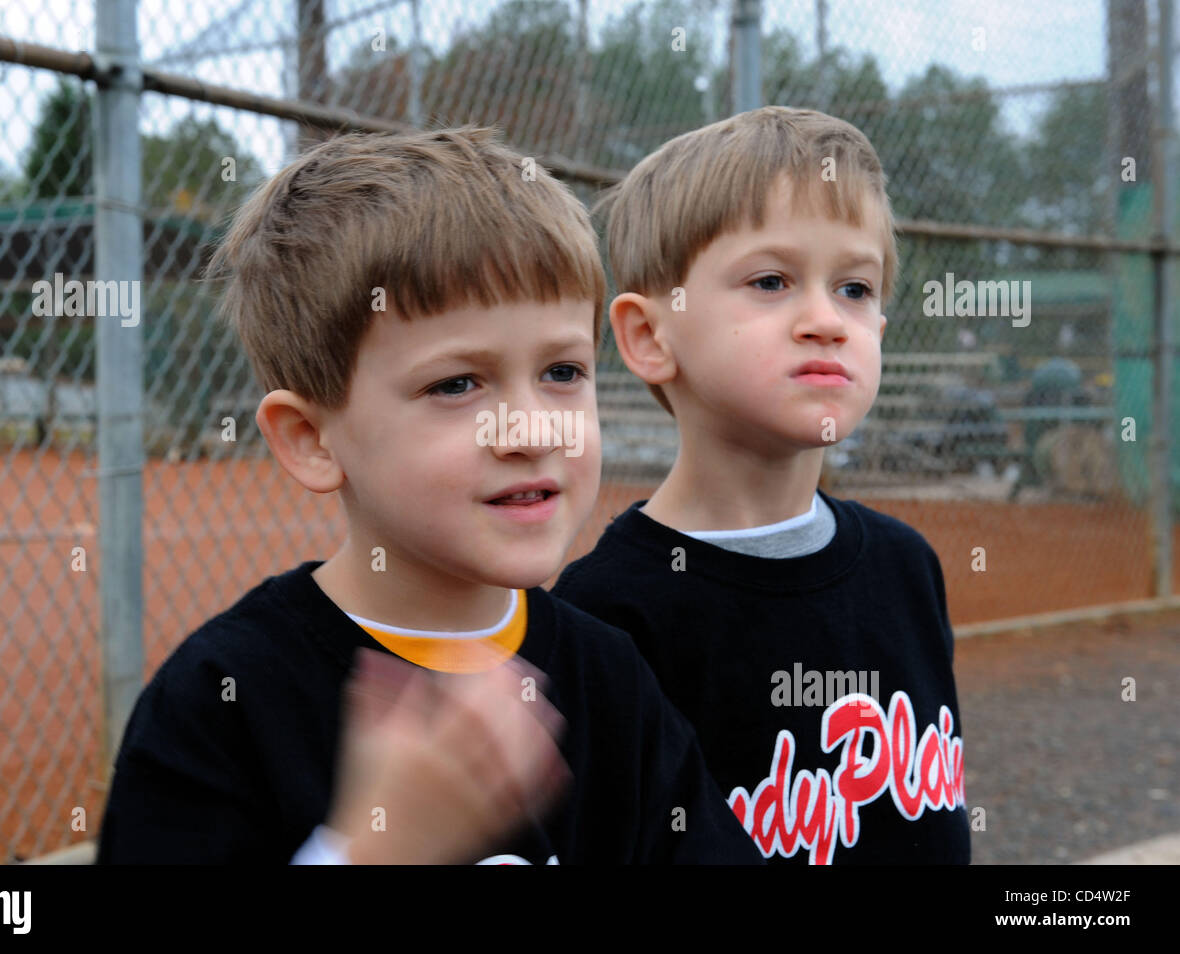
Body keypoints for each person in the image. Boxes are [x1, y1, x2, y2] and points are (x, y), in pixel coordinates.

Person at [97, 125, 764, 865]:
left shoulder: (609, 678)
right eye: (456, 384)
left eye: (563, 373)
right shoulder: (224, 702)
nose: (529, 428)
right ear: (311, 440)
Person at [553, 107, 971, 864]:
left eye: (854, 288)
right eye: (772, 281)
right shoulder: (604, 620)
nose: (826, 320)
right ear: (651, 336)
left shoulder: (908, 565)